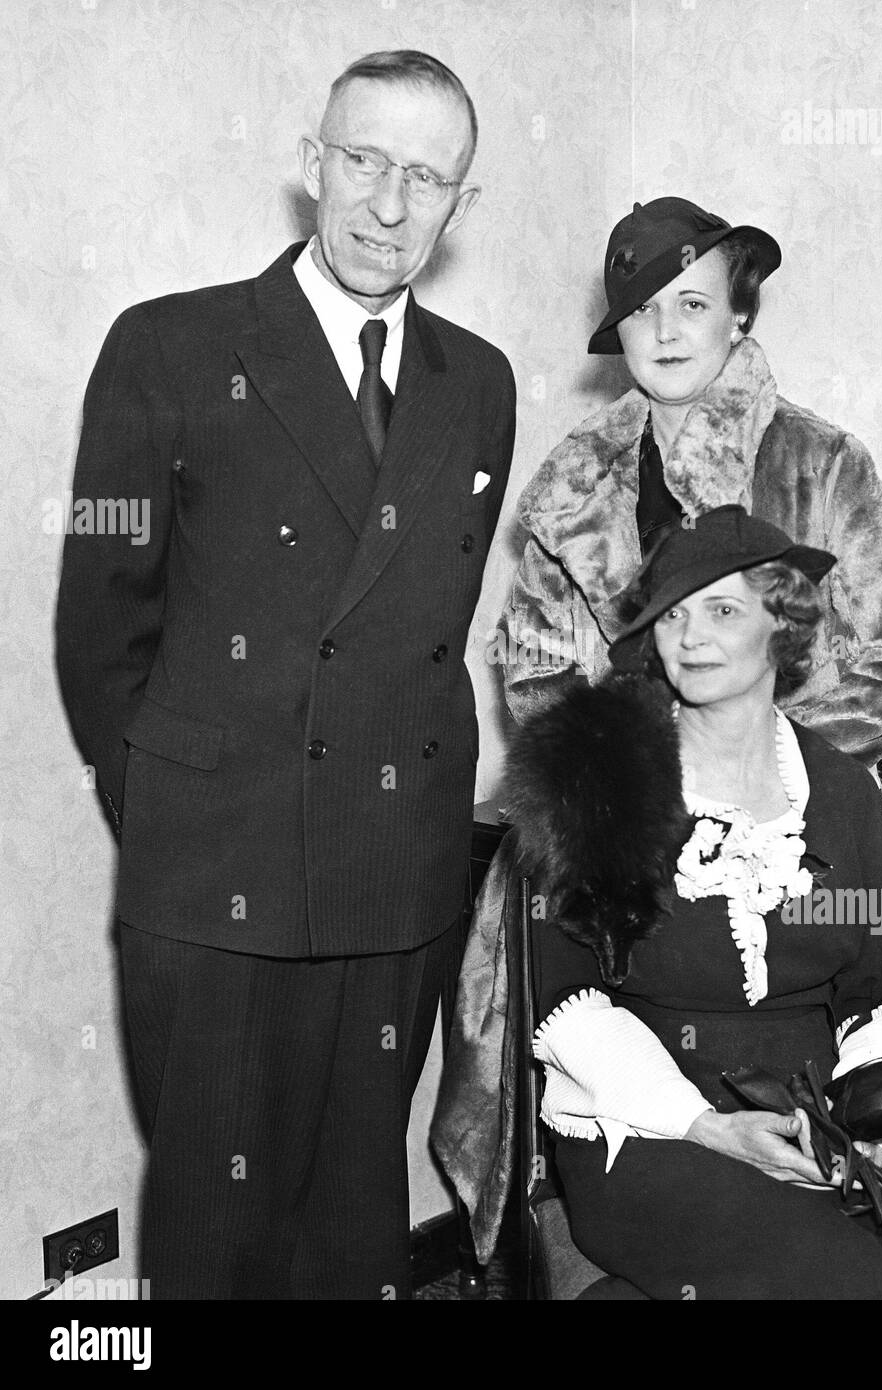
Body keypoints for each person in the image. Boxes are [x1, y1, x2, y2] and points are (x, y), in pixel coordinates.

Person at [55, 49, 516, 1300]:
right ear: (310, 164)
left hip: (396, 867)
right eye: (364, 160)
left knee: (354, 1217)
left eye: (428, 178)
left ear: (460, 206)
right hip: (217, 872)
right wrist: (162, 799)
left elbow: (432, 620)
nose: (388, 204)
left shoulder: (477, 383)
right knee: (217, 1222)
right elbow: (102, 626)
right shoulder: (170, 348)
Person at [510, 505, 882, 1300]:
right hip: (647, 1132)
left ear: (783, 625)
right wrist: (711, 1127)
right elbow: (567, 1005)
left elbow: (877, 999)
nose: (691, 637)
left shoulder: (842, 797)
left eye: (723, 609)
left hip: (813, 1129)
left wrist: (863, 1140)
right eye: (671, 617)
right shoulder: (599, 786)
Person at [500, 196, 882, 763]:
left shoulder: (824, 461)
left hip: (786, 816)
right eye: (642, 310)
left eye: (691, 304)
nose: (664, 333)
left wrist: (765, 762)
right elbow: (532, 666)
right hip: (630, 815)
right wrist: (622, 774)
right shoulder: (574, 484)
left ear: (737, 316)